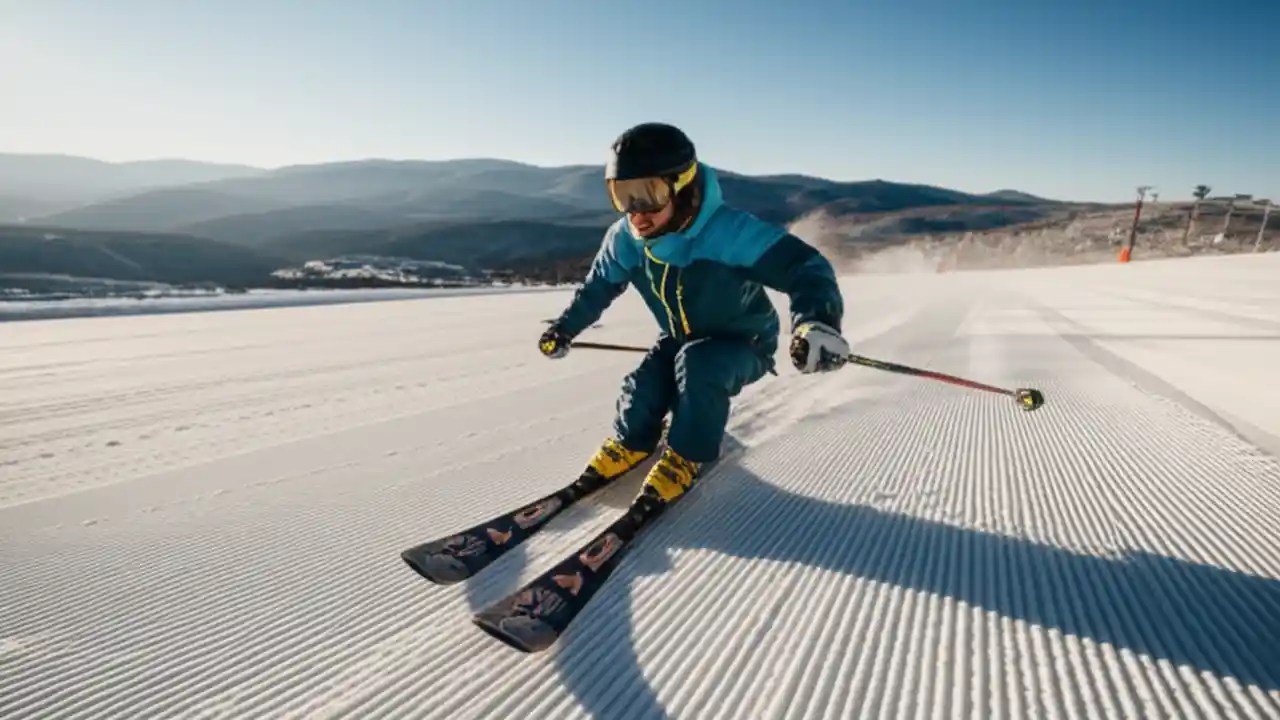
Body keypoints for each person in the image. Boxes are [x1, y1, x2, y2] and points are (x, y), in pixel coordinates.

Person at [540, 122, 849, 506]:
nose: (636, 213)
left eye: (648, 193)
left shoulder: (726, 232)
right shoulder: (625, 240)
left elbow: (806, 267)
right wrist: (566, 328)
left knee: (700, 366)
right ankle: (631, 443)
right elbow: (598, 286)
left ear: (681, 186)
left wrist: (815, 321)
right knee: (644, 387)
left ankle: (687, 455)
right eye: (623, 195)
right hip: (681, 336)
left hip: (744, 342)